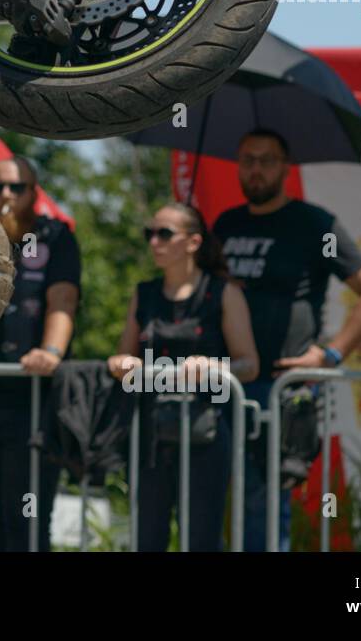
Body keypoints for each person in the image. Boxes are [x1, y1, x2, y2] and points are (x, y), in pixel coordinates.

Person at [211, 128, 361, 551]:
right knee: (211, 498)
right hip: (223, 382)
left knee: (264, 507)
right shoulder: (226, 224)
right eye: (247, 159)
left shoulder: (316, 224)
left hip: (281, 389)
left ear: (285, 168)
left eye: (266, 160)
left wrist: (331, 352)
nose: (256, 169)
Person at [108, 202, 257, 551]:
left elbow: (250, 365)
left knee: (202, 538)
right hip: (150, 433)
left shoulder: (223, 292)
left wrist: (215, 367)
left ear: (193, 242)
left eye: (164, 234)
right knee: (148, 537)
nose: (154, 242)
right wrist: (120, 364)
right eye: (150, 233)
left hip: (206, 431)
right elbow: (122, 355)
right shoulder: (144, 293)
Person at [0, 156, 80, 551]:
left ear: (33, 193)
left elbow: (63, 301)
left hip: (33, 398)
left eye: (17, 188)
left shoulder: (55, 236)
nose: (6, 195)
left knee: (27, 516)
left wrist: (51, 351)